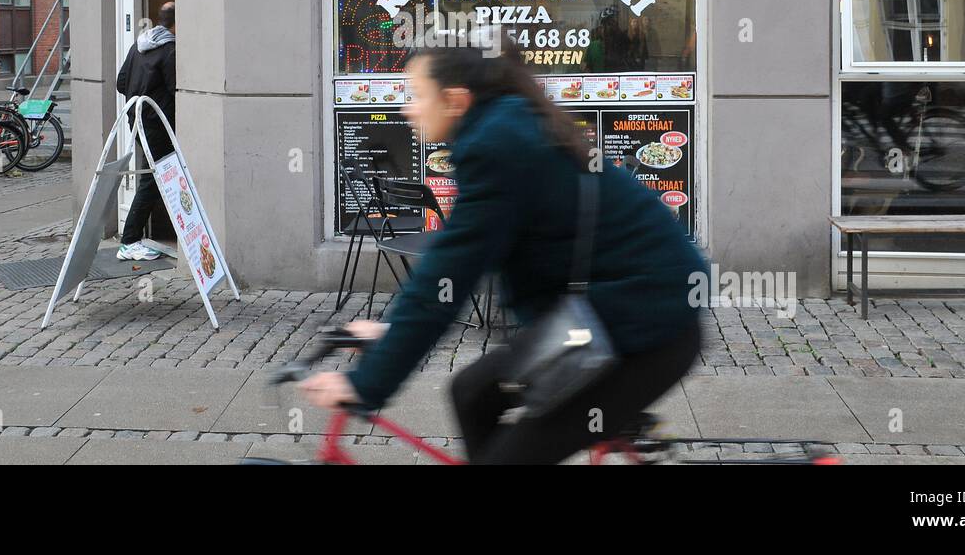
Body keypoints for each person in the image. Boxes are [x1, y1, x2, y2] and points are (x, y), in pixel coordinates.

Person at [300, 30, 707, 464]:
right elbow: (462, 264)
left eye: (416, 94)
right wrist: (392, 332)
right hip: (607, 311)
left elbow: (447, 277)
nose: (407, 108)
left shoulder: (499, 147)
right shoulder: (506, 127)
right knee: (470, 392)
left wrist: (365, 384)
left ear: (456, 100)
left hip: (649, 329)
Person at [115, 2, 177, 262]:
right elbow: (177, 91)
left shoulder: (137, 46)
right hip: (159, 127)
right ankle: (129, 240)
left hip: (139, 124)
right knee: (154, 181)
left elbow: (120, 83)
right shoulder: (170, 50)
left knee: (156, 178)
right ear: (176, 22)